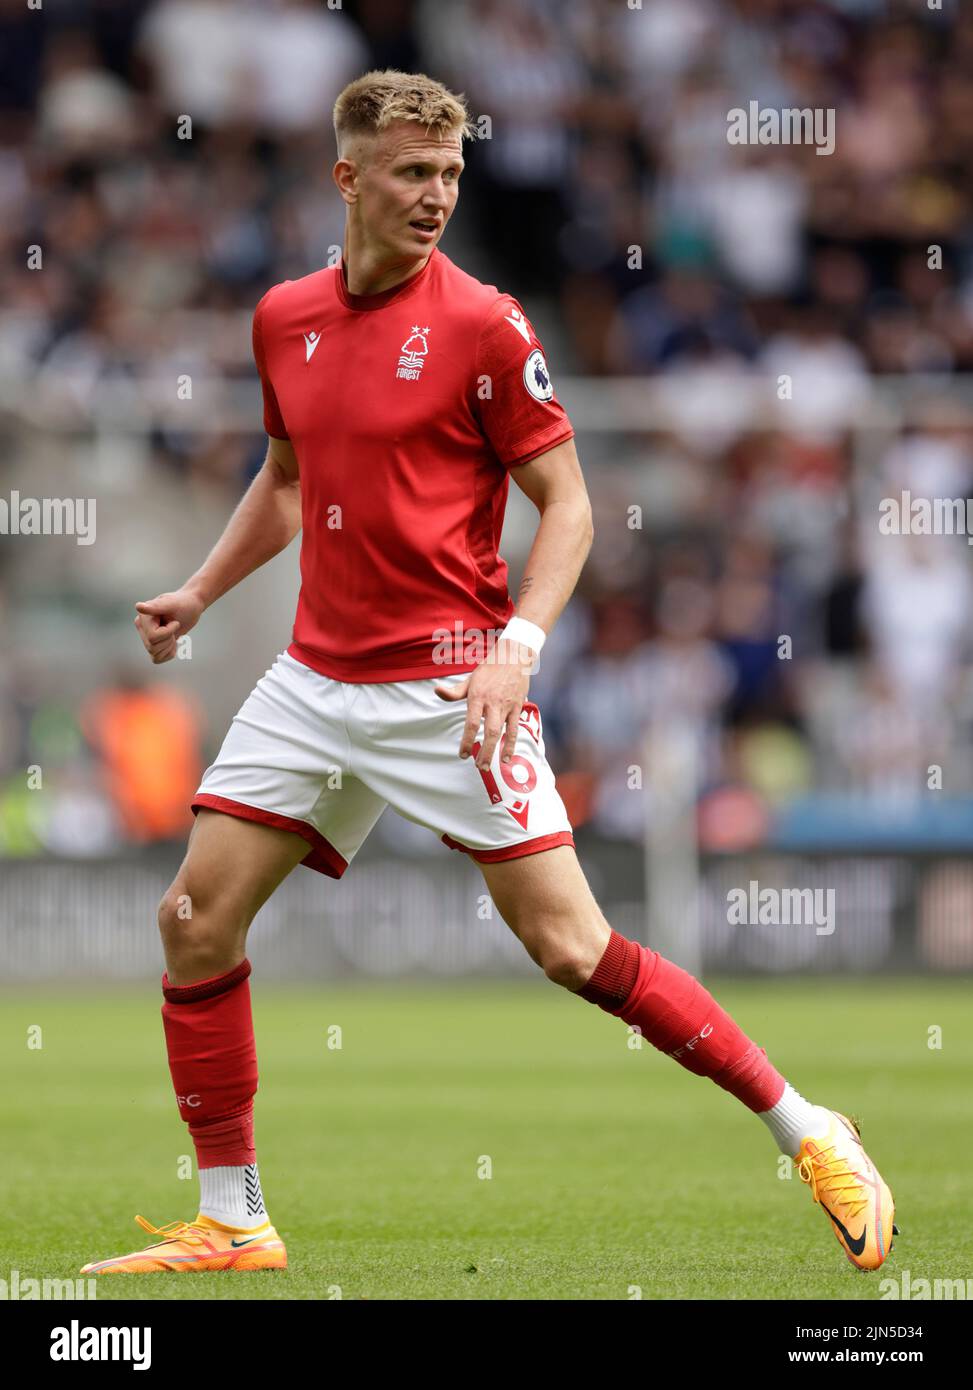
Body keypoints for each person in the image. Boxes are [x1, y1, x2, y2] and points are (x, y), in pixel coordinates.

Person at [82, 70, 894, 1277]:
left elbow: (567, 507)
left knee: (572, 950)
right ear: (348, 177)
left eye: (453, 175)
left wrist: (516, 647)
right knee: (194, 920)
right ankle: (236, 1217)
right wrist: (203, 589)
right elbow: (290, 481)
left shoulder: (485, 325)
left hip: (451, 685)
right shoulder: (283, 317)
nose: (438, 196)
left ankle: (809, 1127)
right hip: (314, 681)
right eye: (415, 173)